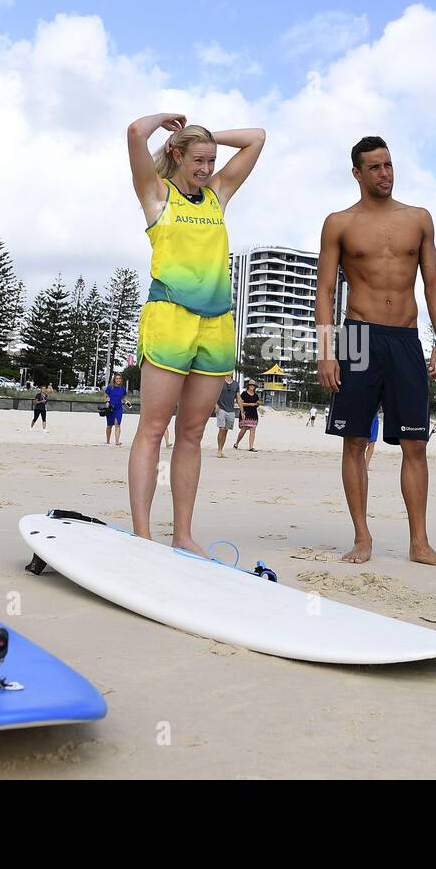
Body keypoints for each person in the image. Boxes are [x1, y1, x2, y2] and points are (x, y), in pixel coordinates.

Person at [126, 112, 265, 554]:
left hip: (217, 322)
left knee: (191, 434)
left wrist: (207, 135)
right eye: (198, 159)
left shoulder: (217, 196)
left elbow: (257, 138)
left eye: (211, 160)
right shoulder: (156, 195)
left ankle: (182, 534)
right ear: (176, 154)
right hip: (169, 318)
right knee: (153, 429)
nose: (207, 169)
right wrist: (169, 124)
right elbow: (134, 133)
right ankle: (143, 534)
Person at [316, 136, 436, 568]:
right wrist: (326, 350)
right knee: (354, 439)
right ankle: (362, 537)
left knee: (414, 443)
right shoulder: (339, 222)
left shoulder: (418, 219)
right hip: (357, 334)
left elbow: (432, 282)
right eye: (375, 167)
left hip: (406, 338)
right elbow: (323, 290)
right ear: (357, 173)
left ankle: (420, 544)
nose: (385, 174)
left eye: (389, 165)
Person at [212, 375, 239, 457]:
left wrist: (242, 410)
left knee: (226, 431)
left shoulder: (236, 384)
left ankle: (221, 450)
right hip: (221, 409)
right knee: (221, 429)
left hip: (231, 410)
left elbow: (238, 397)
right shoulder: (219, 381)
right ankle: (219, 450)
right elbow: (213, 394)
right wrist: (215, 405)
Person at [233, 380, 261, 451]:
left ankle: (251, 447)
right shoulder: (244, 394)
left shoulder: (256, 395)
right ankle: (236, 443)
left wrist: (258, 404)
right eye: (251, 385)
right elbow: (240, 403)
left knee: (253, 429)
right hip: (245, 413)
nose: (252, 386)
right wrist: (250, 404)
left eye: (253, 385)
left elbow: (257, 404)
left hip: (253, 414)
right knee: (243, 429)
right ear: (248, 386)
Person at [104, 373, 128, 445]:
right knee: (109, 425)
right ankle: (108, 441)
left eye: (119, 378)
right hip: (110, 408)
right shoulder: (110, 387)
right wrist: (107, 402)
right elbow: (106, 395)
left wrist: (126, 401)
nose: (118, 380)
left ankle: (117, 441)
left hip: (118, 408)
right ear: (114, 379)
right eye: (117, 378)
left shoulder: (123, 388)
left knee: (117, 424)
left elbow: (123, 397)